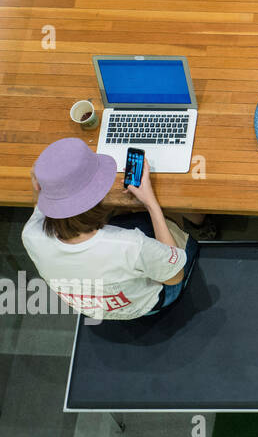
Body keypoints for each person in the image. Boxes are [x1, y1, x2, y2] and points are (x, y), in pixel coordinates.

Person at [23, 138, 200, 321]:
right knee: (166, 222)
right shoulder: (130, 245)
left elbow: (41, 204)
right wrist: (151, 203)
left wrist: (47, 183)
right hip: (149, 304)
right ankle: (201, 226)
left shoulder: (30, 235)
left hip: (97, 308)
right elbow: (175, 276)